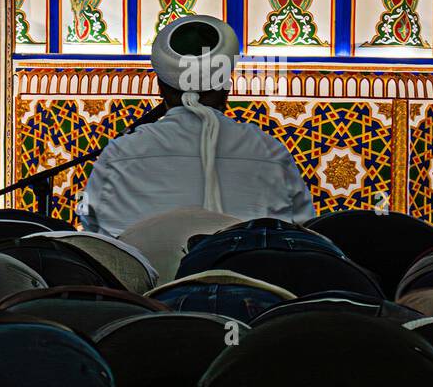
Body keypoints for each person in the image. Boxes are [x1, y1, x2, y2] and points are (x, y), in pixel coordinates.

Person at [78, 15, 314, 236]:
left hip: (141, 279)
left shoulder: (119, 153)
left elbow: (90, 224)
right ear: (225, 86)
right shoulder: (268, 150)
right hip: (246, 277)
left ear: (161, 88)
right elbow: (304, 229)